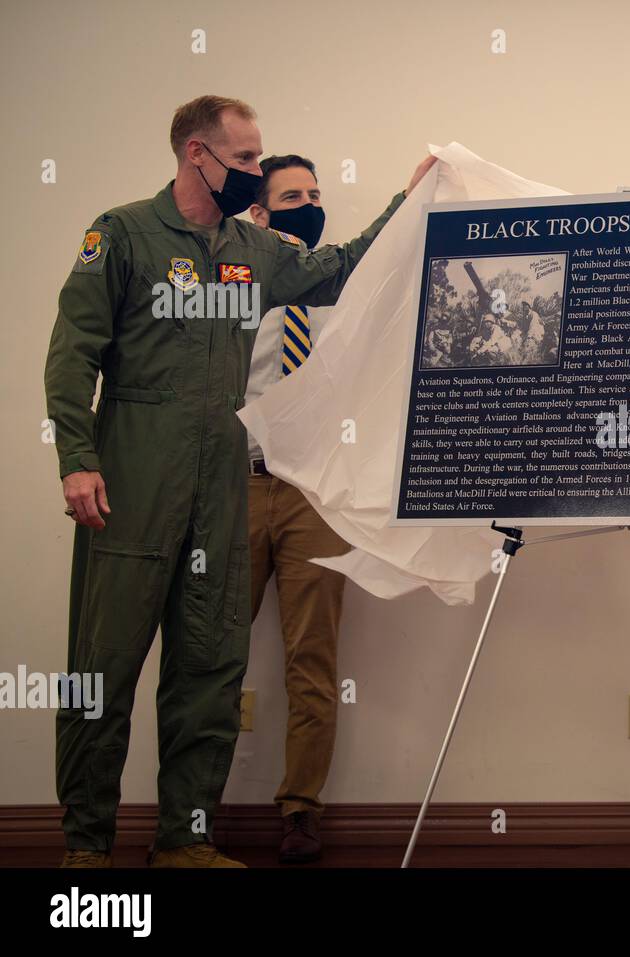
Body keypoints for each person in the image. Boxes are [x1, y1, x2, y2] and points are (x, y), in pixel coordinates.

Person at [46, 95, 435, 867]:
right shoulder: (121, 233)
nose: (257, 173)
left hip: (222, 477)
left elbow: (341, 267)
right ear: (199, 154)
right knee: (104, 664)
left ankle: (185, 839)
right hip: (135, 470)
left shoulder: (249, 252)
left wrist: (413, 198)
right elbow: (72, 352)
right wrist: (77, 458)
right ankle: (85, 845)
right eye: (248, 160)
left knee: (210, 665)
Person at [243, 154, 349, 865]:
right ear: (258, 212)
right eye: (290, 196)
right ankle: (187, 816)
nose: (307, 206)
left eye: (314, 194)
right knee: (210, 656)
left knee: (311, 657)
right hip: (238, 486)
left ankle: (301, 812)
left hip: (316, 489)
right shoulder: (235, 289)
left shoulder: (344, 288)